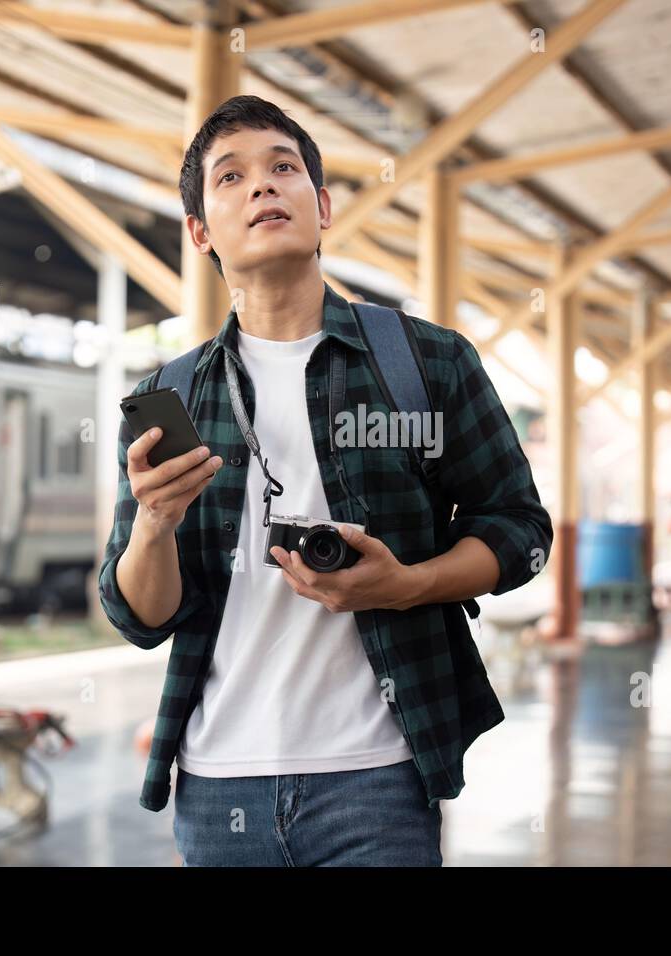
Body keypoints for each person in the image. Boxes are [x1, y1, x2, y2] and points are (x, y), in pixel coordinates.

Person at [97, 95, 552, 867]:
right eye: (231, 177)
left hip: (377, 780)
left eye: (284, 168)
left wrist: (404, 585)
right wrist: (153, 525)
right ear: (200, 232)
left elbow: (520, 531)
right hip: (217, 787)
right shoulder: (169, 401)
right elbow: (139, 615)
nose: (263, 187)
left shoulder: (426, 362)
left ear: (324, 204)